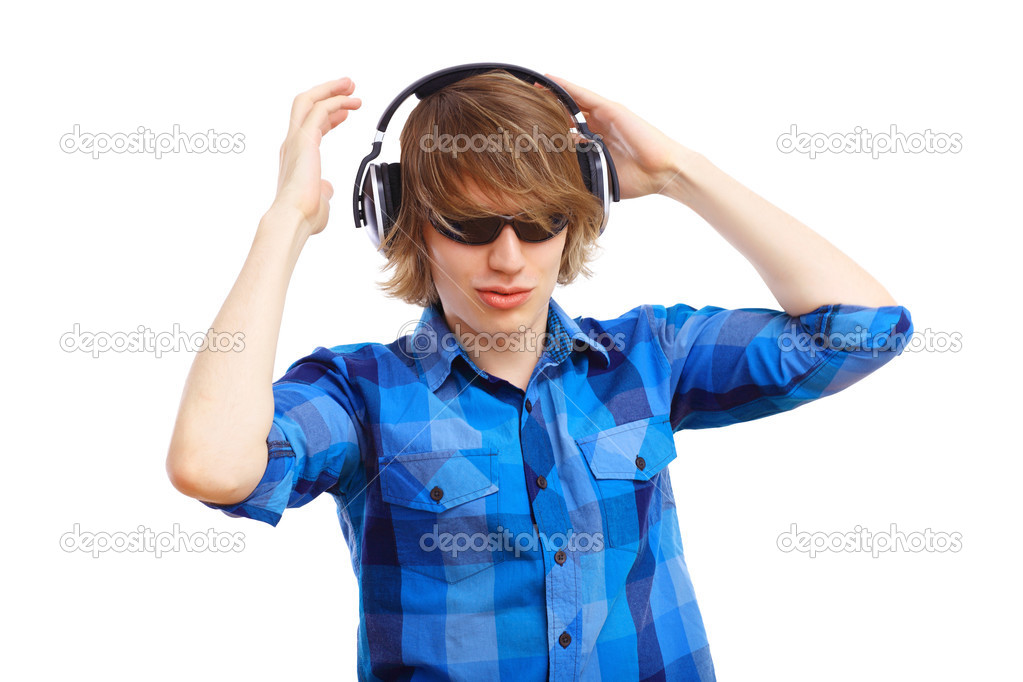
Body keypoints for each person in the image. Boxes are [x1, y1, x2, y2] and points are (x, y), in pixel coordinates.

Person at [166, 66, 913, 681]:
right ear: (405, 219)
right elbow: (212, 465)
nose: (508, 260)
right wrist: (285, 223)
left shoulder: (647, 357)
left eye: (537, 222)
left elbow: (867, 331)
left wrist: (679, 172)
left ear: (576, 214)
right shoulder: (361, 395)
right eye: (468, 226)